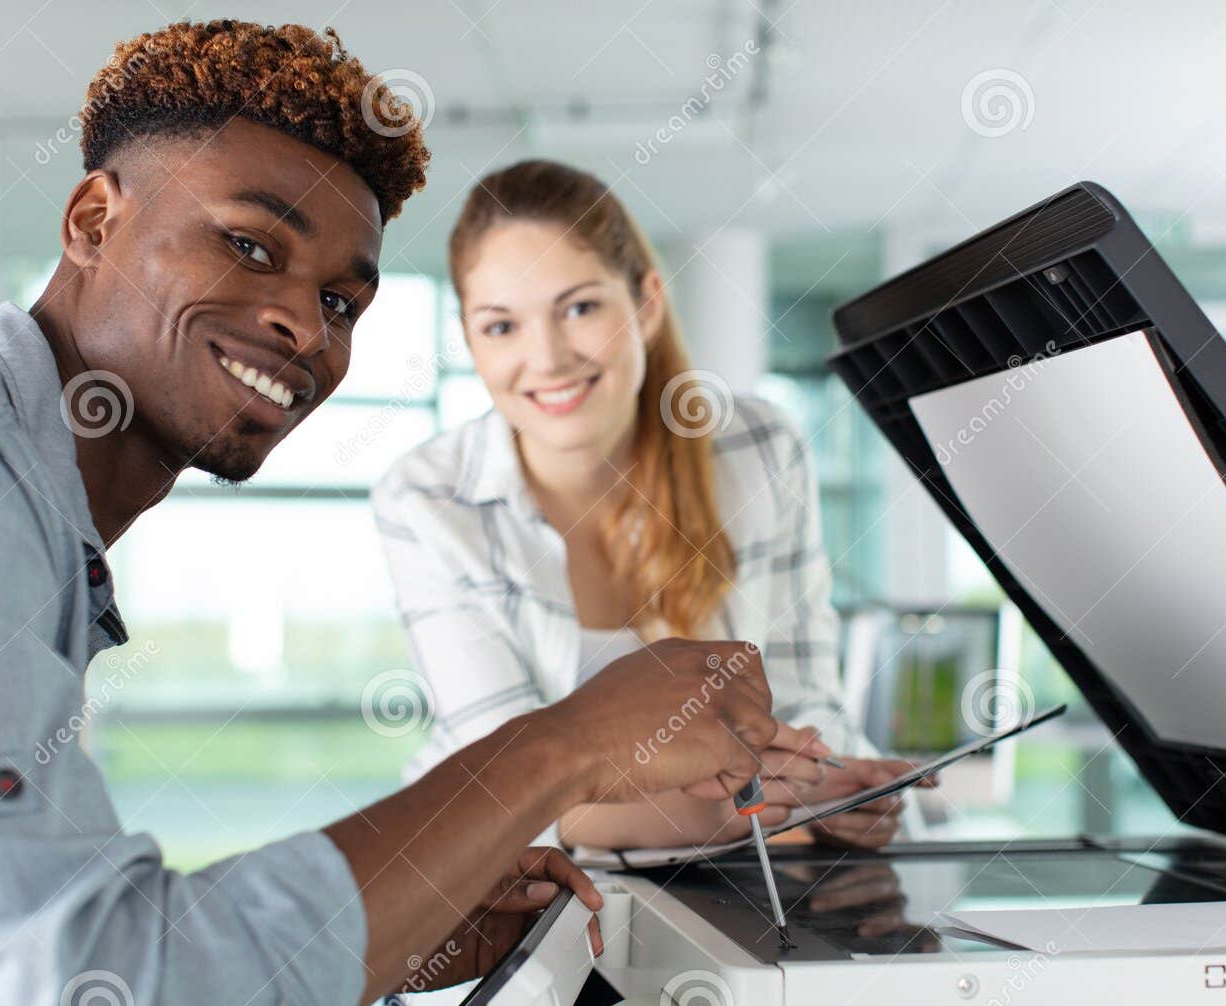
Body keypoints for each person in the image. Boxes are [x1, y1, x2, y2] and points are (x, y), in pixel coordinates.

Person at [0, 21, 808, 1006]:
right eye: (251, 247)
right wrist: (563, 742)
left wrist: (392, 930)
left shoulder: (38, 527)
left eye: (341, 300)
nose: (306, 326)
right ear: (90, 220)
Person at [374, 159, 918, 853]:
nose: (545, 358)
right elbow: (504, 785)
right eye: (501, 326)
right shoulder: (427, 499)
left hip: (756, 868)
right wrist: (750, 811)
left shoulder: (756, 447)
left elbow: (805, 702)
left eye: (579, 308)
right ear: (471, 338)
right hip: (529, 884)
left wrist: (840, 789)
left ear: (647, 304)